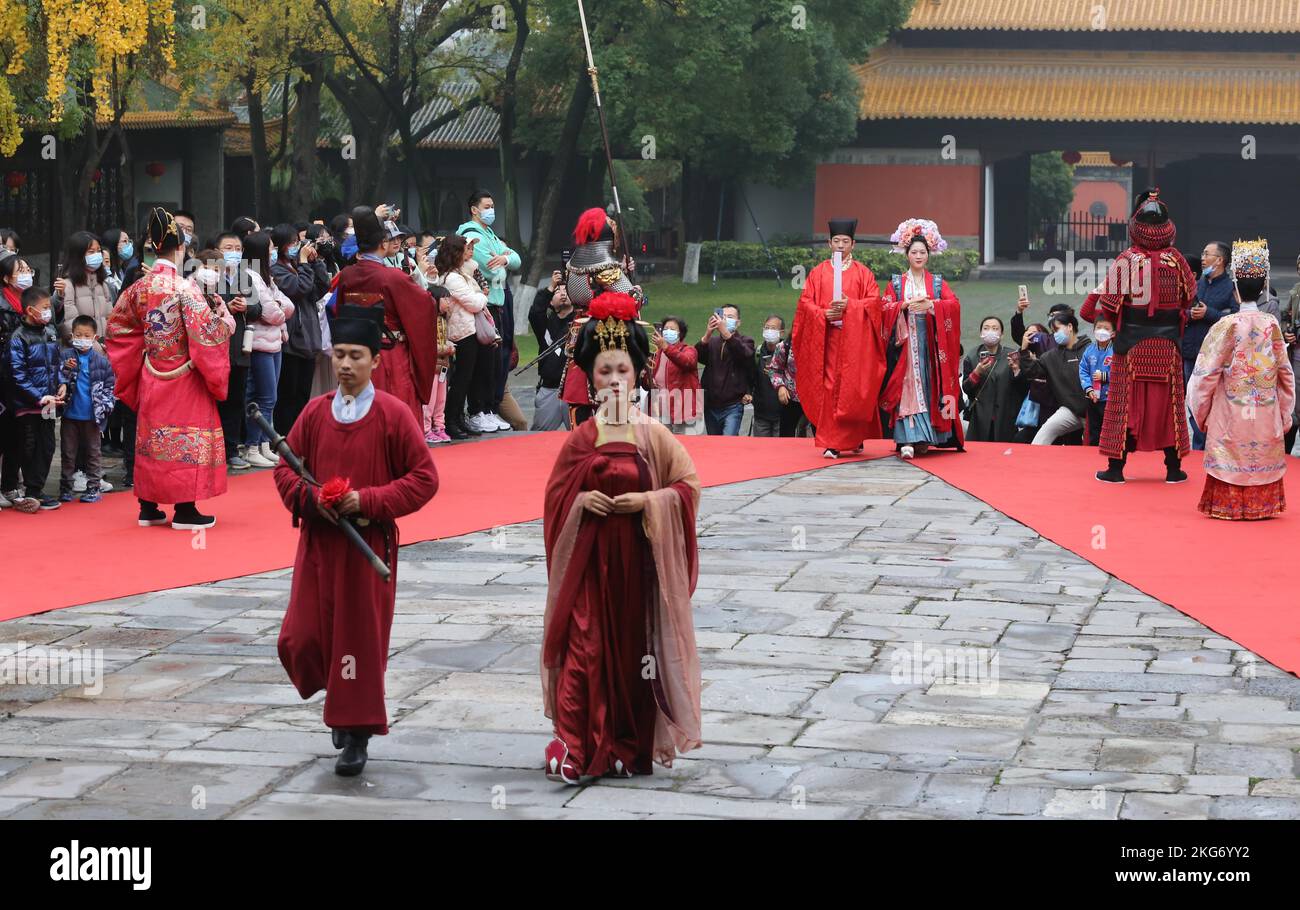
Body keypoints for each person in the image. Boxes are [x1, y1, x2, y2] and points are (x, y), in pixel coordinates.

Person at [541, 292, 701, 784]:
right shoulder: (581, 438)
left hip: (637, 566)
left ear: (637, 377)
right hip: (589, 563)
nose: (614, 380)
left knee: (637, 657)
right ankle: (578, 746)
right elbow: (553, 502)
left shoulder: (654, 435)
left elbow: (687, 488)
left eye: (623, 371)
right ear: (591, 377)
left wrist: (648, 502)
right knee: (584, 650)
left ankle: (626, 744)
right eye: (605, 371)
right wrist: (579, 503)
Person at [274, 304, 439, 777]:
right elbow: (286, 467)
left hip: (367, 550)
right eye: (339, 355)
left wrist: (367, 500)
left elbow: (424, 479)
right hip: (320, 547)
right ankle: (339, 699)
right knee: (301, 637)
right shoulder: (315, 413)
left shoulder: (393, 415)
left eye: (356, 356)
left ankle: (356, 733)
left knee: (358, 644)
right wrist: (311, 497)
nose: (345, 365)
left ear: (375, 361)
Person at [106, 206, 234, 530]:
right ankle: (186, 509)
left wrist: (143, 355)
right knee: (184, 439)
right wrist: (224, 323)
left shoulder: (138, 287)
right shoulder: (185, 289)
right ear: (181, 248)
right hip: (184, 376)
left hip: (152, 372)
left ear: (153, 247)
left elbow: (118, 328)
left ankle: (148, 507)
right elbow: (205, 335)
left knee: (152, 440)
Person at [1083, 189, 1197, 484]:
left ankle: (1115, 469)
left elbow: (1108, 308)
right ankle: (1173, 469)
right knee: (1170, 404)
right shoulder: (1177, 260)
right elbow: (1189, 298)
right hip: (1168, 345)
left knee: (1123, 404)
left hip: (1130, 346)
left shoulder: (1127, 260)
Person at [1187, 239, 1294, 519]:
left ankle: (1228, 506)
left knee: (1230, 453)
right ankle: (1262, 507)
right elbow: (1285, 374)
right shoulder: (1271, 326)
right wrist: (1284, 414)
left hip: (1230, 414)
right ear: (1262, 289)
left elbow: (1203, 376)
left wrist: (1202, 415)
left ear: (1235, 290)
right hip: (1264, 412)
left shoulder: (1226, 326)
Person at [792, 217, 893, 458]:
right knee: (829, 388)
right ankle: (831, 441)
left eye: (845, 241)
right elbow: (805, 304)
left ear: (853, 244)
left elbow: (874, 304)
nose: (840, 245)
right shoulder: (818, 273)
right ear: (829, 243)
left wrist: (851, 306)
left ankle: (855, 438)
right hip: (826, 341)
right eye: (836, 241)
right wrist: (823, 314)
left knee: (854, 389)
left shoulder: (863, 273)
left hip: (855, 342)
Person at [333, 206, 440, 426]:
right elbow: (425, 306)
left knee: (361, 414)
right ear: (383, 243)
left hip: (357, 356)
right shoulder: (393, 278)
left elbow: (336, 310)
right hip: (390, 355)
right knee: (395, 414)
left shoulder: (346, 275)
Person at [880, 218, 964, 459]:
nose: (918, 256)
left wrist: (933, 305)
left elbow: (954, 305)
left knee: (928, 386)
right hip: (905, 345)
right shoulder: (897, 283)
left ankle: (928, 436)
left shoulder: (937, 282)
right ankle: (906, 437)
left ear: (929, 254)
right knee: (907, 388)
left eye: (922, 252)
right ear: (906, 254)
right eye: (914, 252)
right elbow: (884, 308)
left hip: (930, 345)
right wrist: (902, 306)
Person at [7, 286, 65, 511]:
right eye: (44, 308)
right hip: (28, 404)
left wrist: (61, 383)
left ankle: (36, 490)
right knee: (28, 446)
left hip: (49, 402)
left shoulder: (50, 331)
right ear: (30, 310)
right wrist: (39, 397)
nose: (48, 311)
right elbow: (17, 374)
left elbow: (57, 362)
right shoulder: (18, 337)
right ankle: (29, 490)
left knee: (47, 445)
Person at [271, 223, 330, 436]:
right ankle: (285, 436)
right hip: (291, 342)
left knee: (303, 393)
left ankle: (300, 436)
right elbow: (299, 288)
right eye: (293, 243)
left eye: (298, 242)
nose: (298, 247)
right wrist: (304, 263)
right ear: (280, 246)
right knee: (288, 394)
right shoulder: (276, 270)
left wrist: (316, 263)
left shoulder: (299, 266)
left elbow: (321, 288)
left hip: (309, 339)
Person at [435, 233, 495, 440]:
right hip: (462, 333)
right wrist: (482, 296)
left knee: (467, 378)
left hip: (468, 330)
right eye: (464, 250)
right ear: (455, 253)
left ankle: (458, 418)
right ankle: (451, 420)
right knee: (461, 379)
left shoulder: (459, 274)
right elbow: (475, 302)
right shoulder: (451, 278)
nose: (468, 254)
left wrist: (479, 296)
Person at [240, 232, 292, 469]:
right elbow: (271, 312)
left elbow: (287, 305)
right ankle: (252, 446)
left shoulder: (266, 276)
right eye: (270, 248)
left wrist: (278, 308)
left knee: (270, 397)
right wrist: (278, 309)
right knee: (264, 397)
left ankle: (263, 444)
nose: (273, 251)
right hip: (259, 344)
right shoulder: (247, 275)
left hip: (274, 341)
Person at [1183, 241, 1237, 450]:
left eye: (1207, 254)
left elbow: (1235, 317)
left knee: (1213, 401)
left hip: (1214, 355)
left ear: (1220, 260)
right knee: (1193, 401)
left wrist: (1209, 314)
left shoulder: (1231, 287)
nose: (1202, 258)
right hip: (1190, 350)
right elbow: (1181, 309)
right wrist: (1190, 314)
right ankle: (1198, 445)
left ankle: (1212, 445)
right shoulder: (1197, 283)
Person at [57, 315, 115, 503]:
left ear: (95, 337)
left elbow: (110, 386)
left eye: (86, 335)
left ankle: (93, 488)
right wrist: (65, 370)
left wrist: (105, 406)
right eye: (78, 335)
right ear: (72, 335)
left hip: (92, 417)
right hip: (69, 415)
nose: (82, 338)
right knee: (68, 453)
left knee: (93, 453)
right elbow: (57, 378)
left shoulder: (101, 361)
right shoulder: (66, 356)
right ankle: (66, 488)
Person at [1024, 312, 1090, 445]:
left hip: (1093, 411)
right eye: (1053, 331)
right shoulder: (1050, 357)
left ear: (1070, 326)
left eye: (1057, 329)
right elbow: (1032, 372)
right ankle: (1033, 463)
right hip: (1070, 411)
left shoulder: (1090, 349)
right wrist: (1024, 350)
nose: (1055, 334)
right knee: (1043, 435)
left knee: (1094, 448)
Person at [0, 253, 34, 507]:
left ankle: (11, 485)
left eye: (27, 268)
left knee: (18, 436)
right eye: (19, 269)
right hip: (5, 376)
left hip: (25, 377)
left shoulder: (32, 301)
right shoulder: (3, 304)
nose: (26, 273)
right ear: (6, 277)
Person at [527, 269, 576, 431]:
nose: (562, 293)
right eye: (557, 290)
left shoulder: (581, 321)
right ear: (550, 301)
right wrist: (550, 287)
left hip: (575, 391)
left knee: (581, 438)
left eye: (566, 290)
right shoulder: (545, 324)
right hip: (549, 389)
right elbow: (535, 313)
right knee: (538, 438)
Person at [695, 304, 754, 436]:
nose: (725, 320)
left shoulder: (746, 341)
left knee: (728, 442)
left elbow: (745, 354)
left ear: (738, 322)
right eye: (723, 317)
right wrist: (707, 334)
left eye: (730, 317)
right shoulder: (712, 342)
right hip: (711, 405)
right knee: (715, 444)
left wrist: (727, 334)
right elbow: (696, 356)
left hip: (733, 405)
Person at [961, 316, 1019, 443]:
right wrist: (977, 373)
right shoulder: (971, 356)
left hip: (1005, 416)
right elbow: (966, 389)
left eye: (995, 328)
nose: (990, 331)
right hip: (980, 417)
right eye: (986, 328)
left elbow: (1021, 387)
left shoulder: (1011, 355)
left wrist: (1017, 370)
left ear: (1002, 334)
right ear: (981, 333)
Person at [648, 315, 702, 434]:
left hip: (684, 412)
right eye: (665, 328)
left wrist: (666, 347)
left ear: (680, 333)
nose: (668, 332)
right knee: (665, 450)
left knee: (687, 448)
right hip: (662, 413)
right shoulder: (657, 354)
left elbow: (687, 362)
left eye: (672, 329)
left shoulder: (689, 350)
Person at [1079, 316, 1115, 446]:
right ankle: (1094, 454)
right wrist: (1088, 389)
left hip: (1110, 398)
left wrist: (1105, 376)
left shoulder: (1116, 351)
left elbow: (1122, 372)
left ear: (1113, 333)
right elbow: (1083, 370)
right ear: (1093, 330)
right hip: (1093, 397)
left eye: (1106, 328)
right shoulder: (1089, 350)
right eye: (1099, 328)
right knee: (1094, 430)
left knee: (1110, 429)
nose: (1101, 331)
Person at [751, 315, 789, 437]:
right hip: (761, 415)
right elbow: (751, 378)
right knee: (761, 450)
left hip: (783, 413)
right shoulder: (757, 353)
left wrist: (775, 374)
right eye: (767, 328)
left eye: (773, 328)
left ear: (781, 332)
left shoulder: (787, 352)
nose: (769, 331)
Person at [768, 328, 805, 437]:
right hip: (791, 397)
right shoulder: (785, 346)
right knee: (786, 435)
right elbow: (774, 369)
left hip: (815, 399)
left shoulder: (821, 345)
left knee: (820, 436)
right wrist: (780, 386)